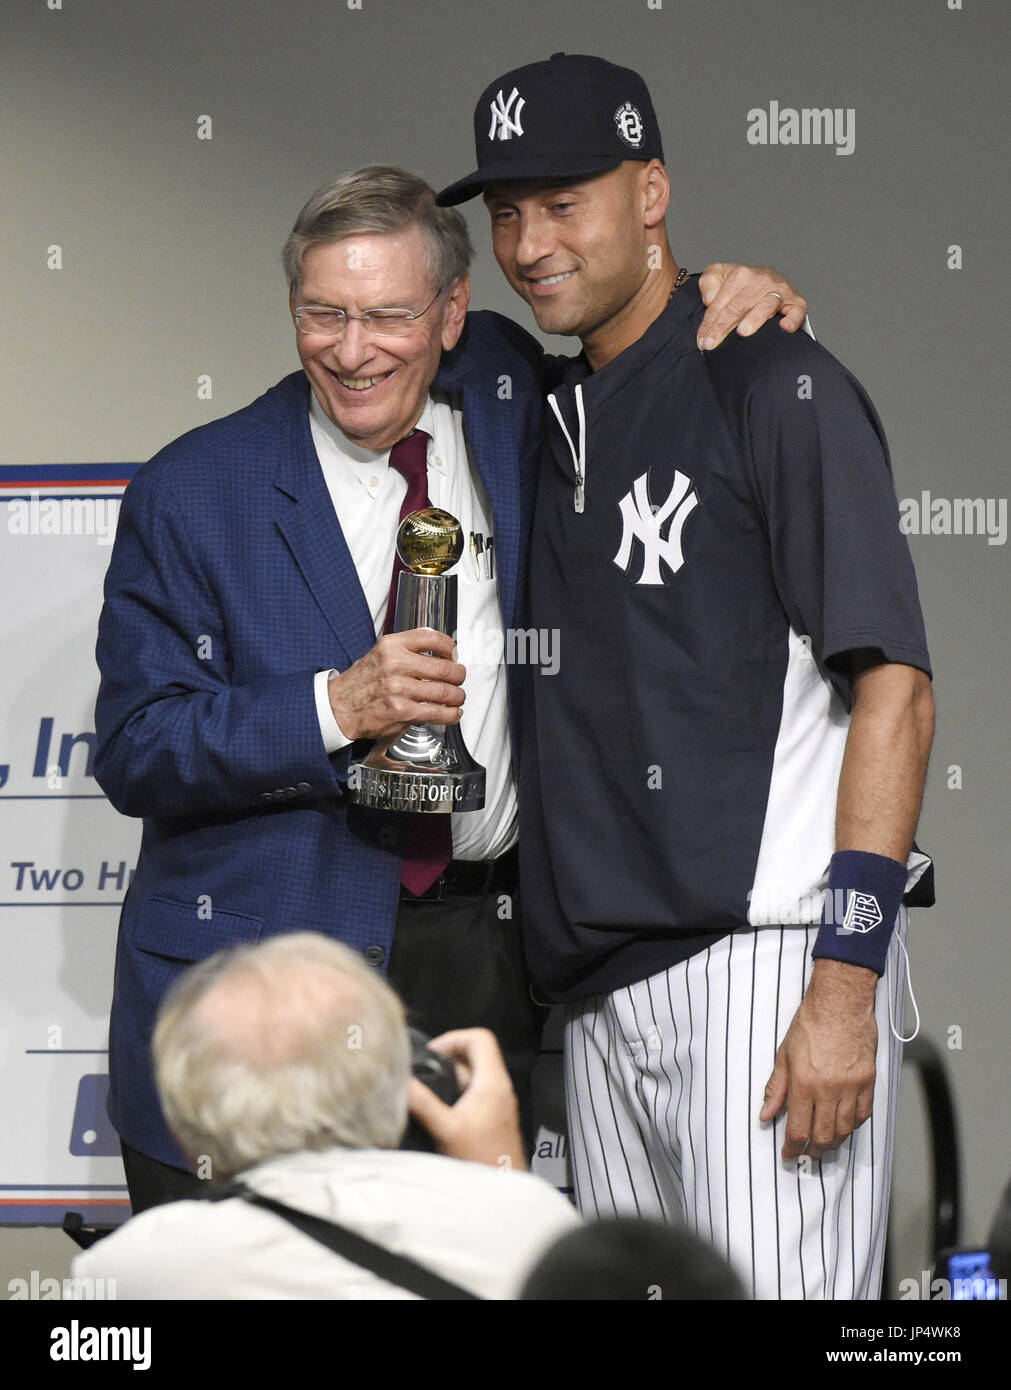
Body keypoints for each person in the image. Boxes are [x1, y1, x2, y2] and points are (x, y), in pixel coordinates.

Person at [94, 162, 805, 1211]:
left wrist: (720, 292)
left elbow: (639, 345)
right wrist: (336, 706)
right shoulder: (196, 487)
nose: (352, 348)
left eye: (388, 314)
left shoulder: (524, 417)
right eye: (322, 313)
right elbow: (136, 745)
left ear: (453, 313)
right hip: (265, 974)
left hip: (482, 956)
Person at [437, 52, 935, 1300]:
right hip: (593, 1000)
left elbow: (898, 692)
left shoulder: (772, 375)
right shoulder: (535, 405)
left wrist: (845, 978)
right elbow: (380, 327)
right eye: (505, 211)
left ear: (651, 189)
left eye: (565, 202)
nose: (529, 240)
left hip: (763, 967)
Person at [71, 933, 580, 1299]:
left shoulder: (131, 1268)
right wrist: (504, 1183)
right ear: (411, 1081)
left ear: (184, 1126)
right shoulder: (533, 1228)